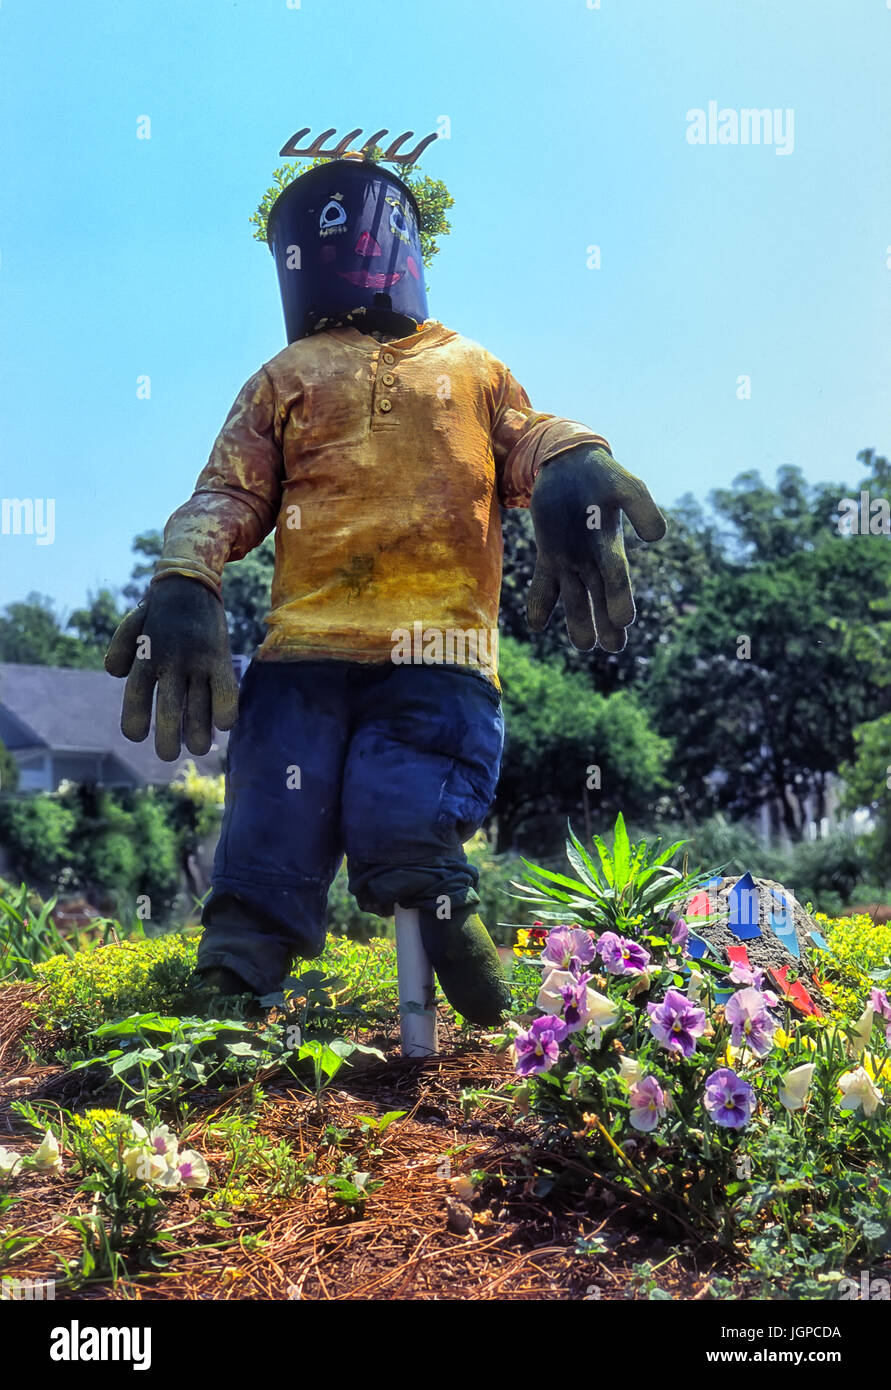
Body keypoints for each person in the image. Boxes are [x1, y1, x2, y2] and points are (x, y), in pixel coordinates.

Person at [105, 151, 666, 1025]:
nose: (342, 242)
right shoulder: (283, 378)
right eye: (316, 226)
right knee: (267, 839)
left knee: (406, 817)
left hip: (437, 659)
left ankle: (486, 1003)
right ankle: (226, 997)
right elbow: (229, 492)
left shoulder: (473, 369)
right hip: (300, 660)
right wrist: (187, 573)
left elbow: (529, 433)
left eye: (359, 218)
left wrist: (571, 457)